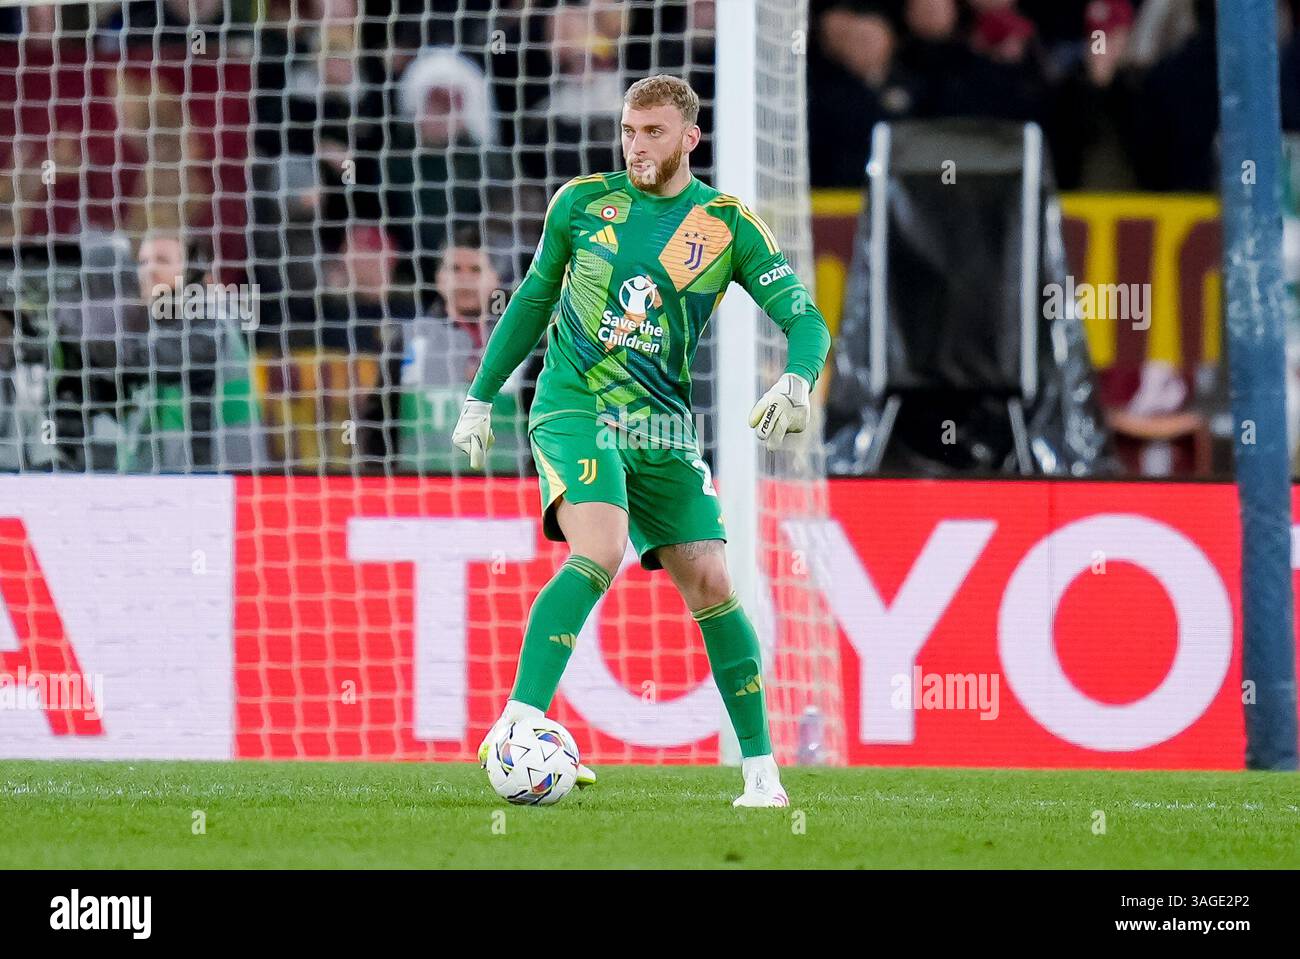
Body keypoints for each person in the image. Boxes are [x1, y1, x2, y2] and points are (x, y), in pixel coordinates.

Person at [452, 75, 831, 808]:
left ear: (691, 137)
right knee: (599, 547)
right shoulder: (582, 202)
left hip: (662, 424)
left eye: (653, 132)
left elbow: (805, 317)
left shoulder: (725, 225)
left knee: (715, 585)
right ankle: (518, 724)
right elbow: (533, 298)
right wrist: (479, 396)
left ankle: (761, 775)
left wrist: (796, 380)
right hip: (575, 403)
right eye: (629, 129)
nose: (635, 145)